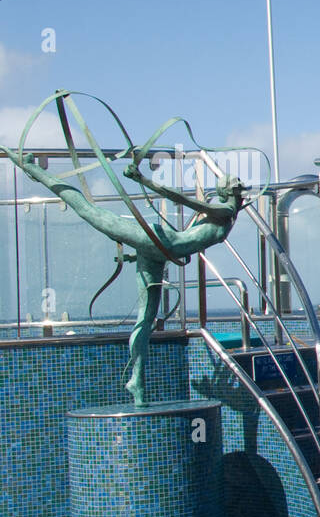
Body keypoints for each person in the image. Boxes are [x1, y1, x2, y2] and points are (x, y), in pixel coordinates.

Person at [1, 147, 244, 405]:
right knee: (90, 212)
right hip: (158, 242)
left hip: (159, 250)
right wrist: (144, 182)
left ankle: (137, 382)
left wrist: (144, 181)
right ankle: (32, 167)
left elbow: (188, 208)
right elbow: (188, 224)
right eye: (237, 189)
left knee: (145, 320)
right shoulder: (226, 215)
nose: (238, 193)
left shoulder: (226, 213)